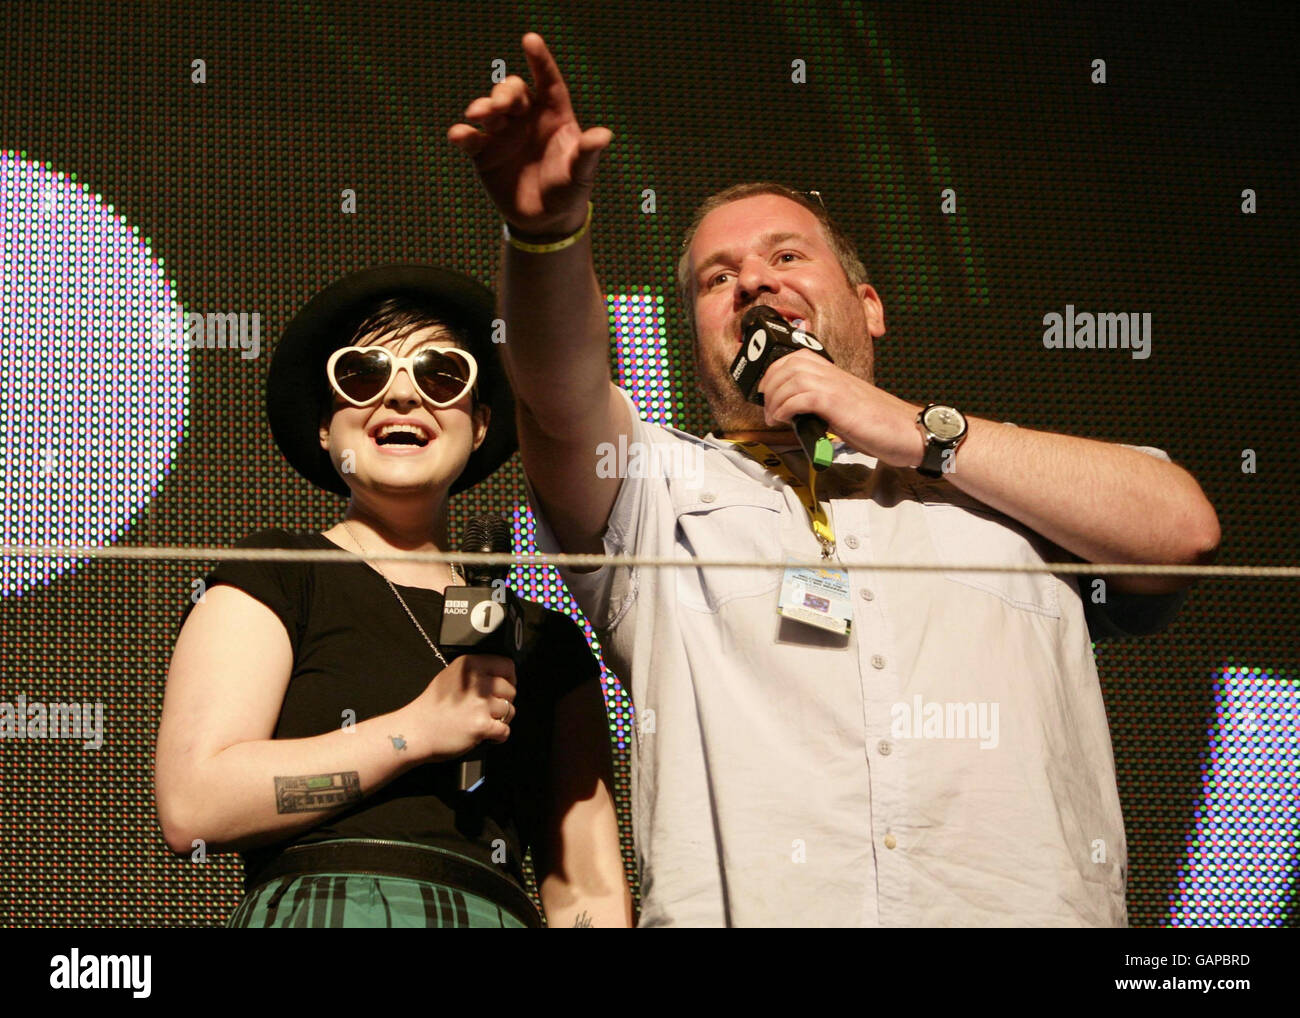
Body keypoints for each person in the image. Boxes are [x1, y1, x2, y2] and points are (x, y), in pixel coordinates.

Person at [448, 35, 1222, 927]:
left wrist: (921, 434)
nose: (753, 286)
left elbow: (1183, 530)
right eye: (718, 278)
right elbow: (556, 393)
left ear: (868, 305)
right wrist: (546, 234)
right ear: (693, 337)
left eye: (787, 258)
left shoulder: (1005, 485)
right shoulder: (658, 492)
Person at [154, 264, 633, 928]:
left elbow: (587, 891)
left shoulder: (545, 642)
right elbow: (195, 807)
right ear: (327, 428)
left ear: (481, 422)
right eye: (364, 374)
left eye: (440, 374)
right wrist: (414, 732)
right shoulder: (274, 574)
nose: (402, 397)